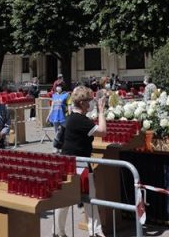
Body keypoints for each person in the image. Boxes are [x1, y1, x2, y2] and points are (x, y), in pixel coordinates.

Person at [55, 86, 107, 237]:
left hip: (68, 162)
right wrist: (102, 111)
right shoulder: (80, 120)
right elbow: (103, 131)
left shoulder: (72, 117)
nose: (91, 103)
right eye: (90, 100)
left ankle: (58, 232)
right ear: (83, 103)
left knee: (64, 199)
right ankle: (95, 231)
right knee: (89, 198)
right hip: (79, 164)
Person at [48, 85, 69, 153]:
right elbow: (52, 106)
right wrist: (48, 116)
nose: (58, 88)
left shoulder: (66, 95)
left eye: (59, 86)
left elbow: (69, 105)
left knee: (64, 132)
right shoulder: (54, 95)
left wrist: (69, 114)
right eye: (57, 86)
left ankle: (63, 147)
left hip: (63, 116)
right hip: (55, 116)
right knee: (56, 133)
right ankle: (56, 147)